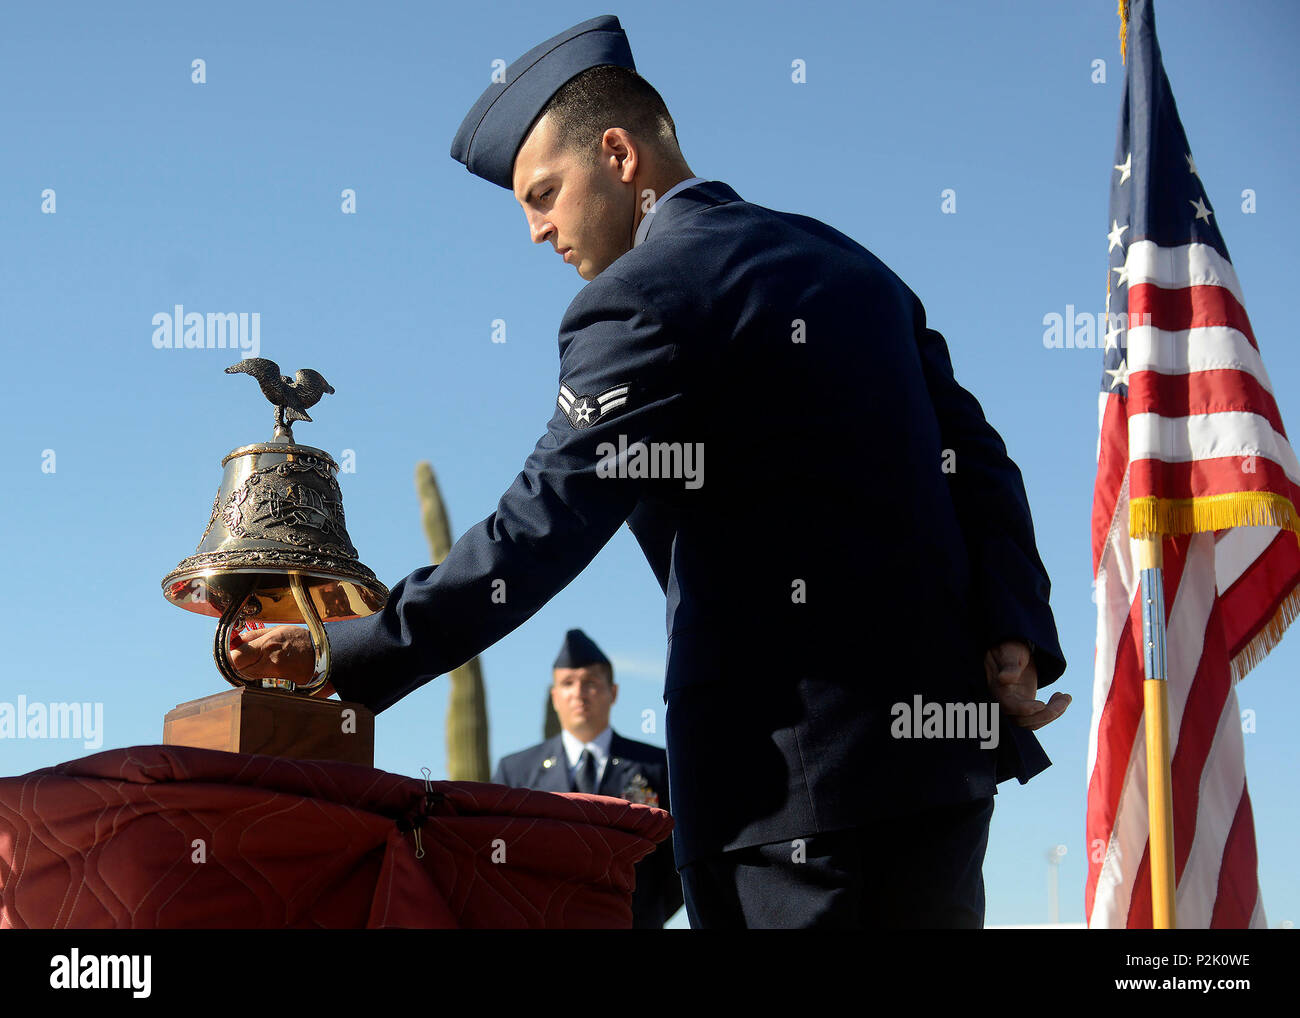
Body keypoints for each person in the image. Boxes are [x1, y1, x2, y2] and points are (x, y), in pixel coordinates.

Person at [228, 14, 1071, 928]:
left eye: (544, 192)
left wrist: (338, 654)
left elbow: (540, 529)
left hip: (787, 808)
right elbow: (980, 461)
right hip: (944, 777)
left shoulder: (643, 296)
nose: (538, 231)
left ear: (620, 155)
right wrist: (1013, 632)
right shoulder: (854, 267)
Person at [492, 629, 682, 928]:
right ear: (554, 697)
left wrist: (644, 916)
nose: (578, 693)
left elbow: (675, 862)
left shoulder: (658, 766)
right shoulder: (516, 772)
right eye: (567, 683)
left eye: (590, 683)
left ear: (613, 693)